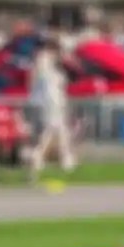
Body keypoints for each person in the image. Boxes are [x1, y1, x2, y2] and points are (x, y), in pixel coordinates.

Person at [27, 35, 76, 179]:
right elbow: (47, 84)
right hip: (50, 103)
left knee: (59, 130)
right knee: (52, 130)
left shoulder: (50, 65)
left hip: (51, 102)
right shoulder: (44, 61)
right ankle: (40, 157)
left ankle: (64, 158)